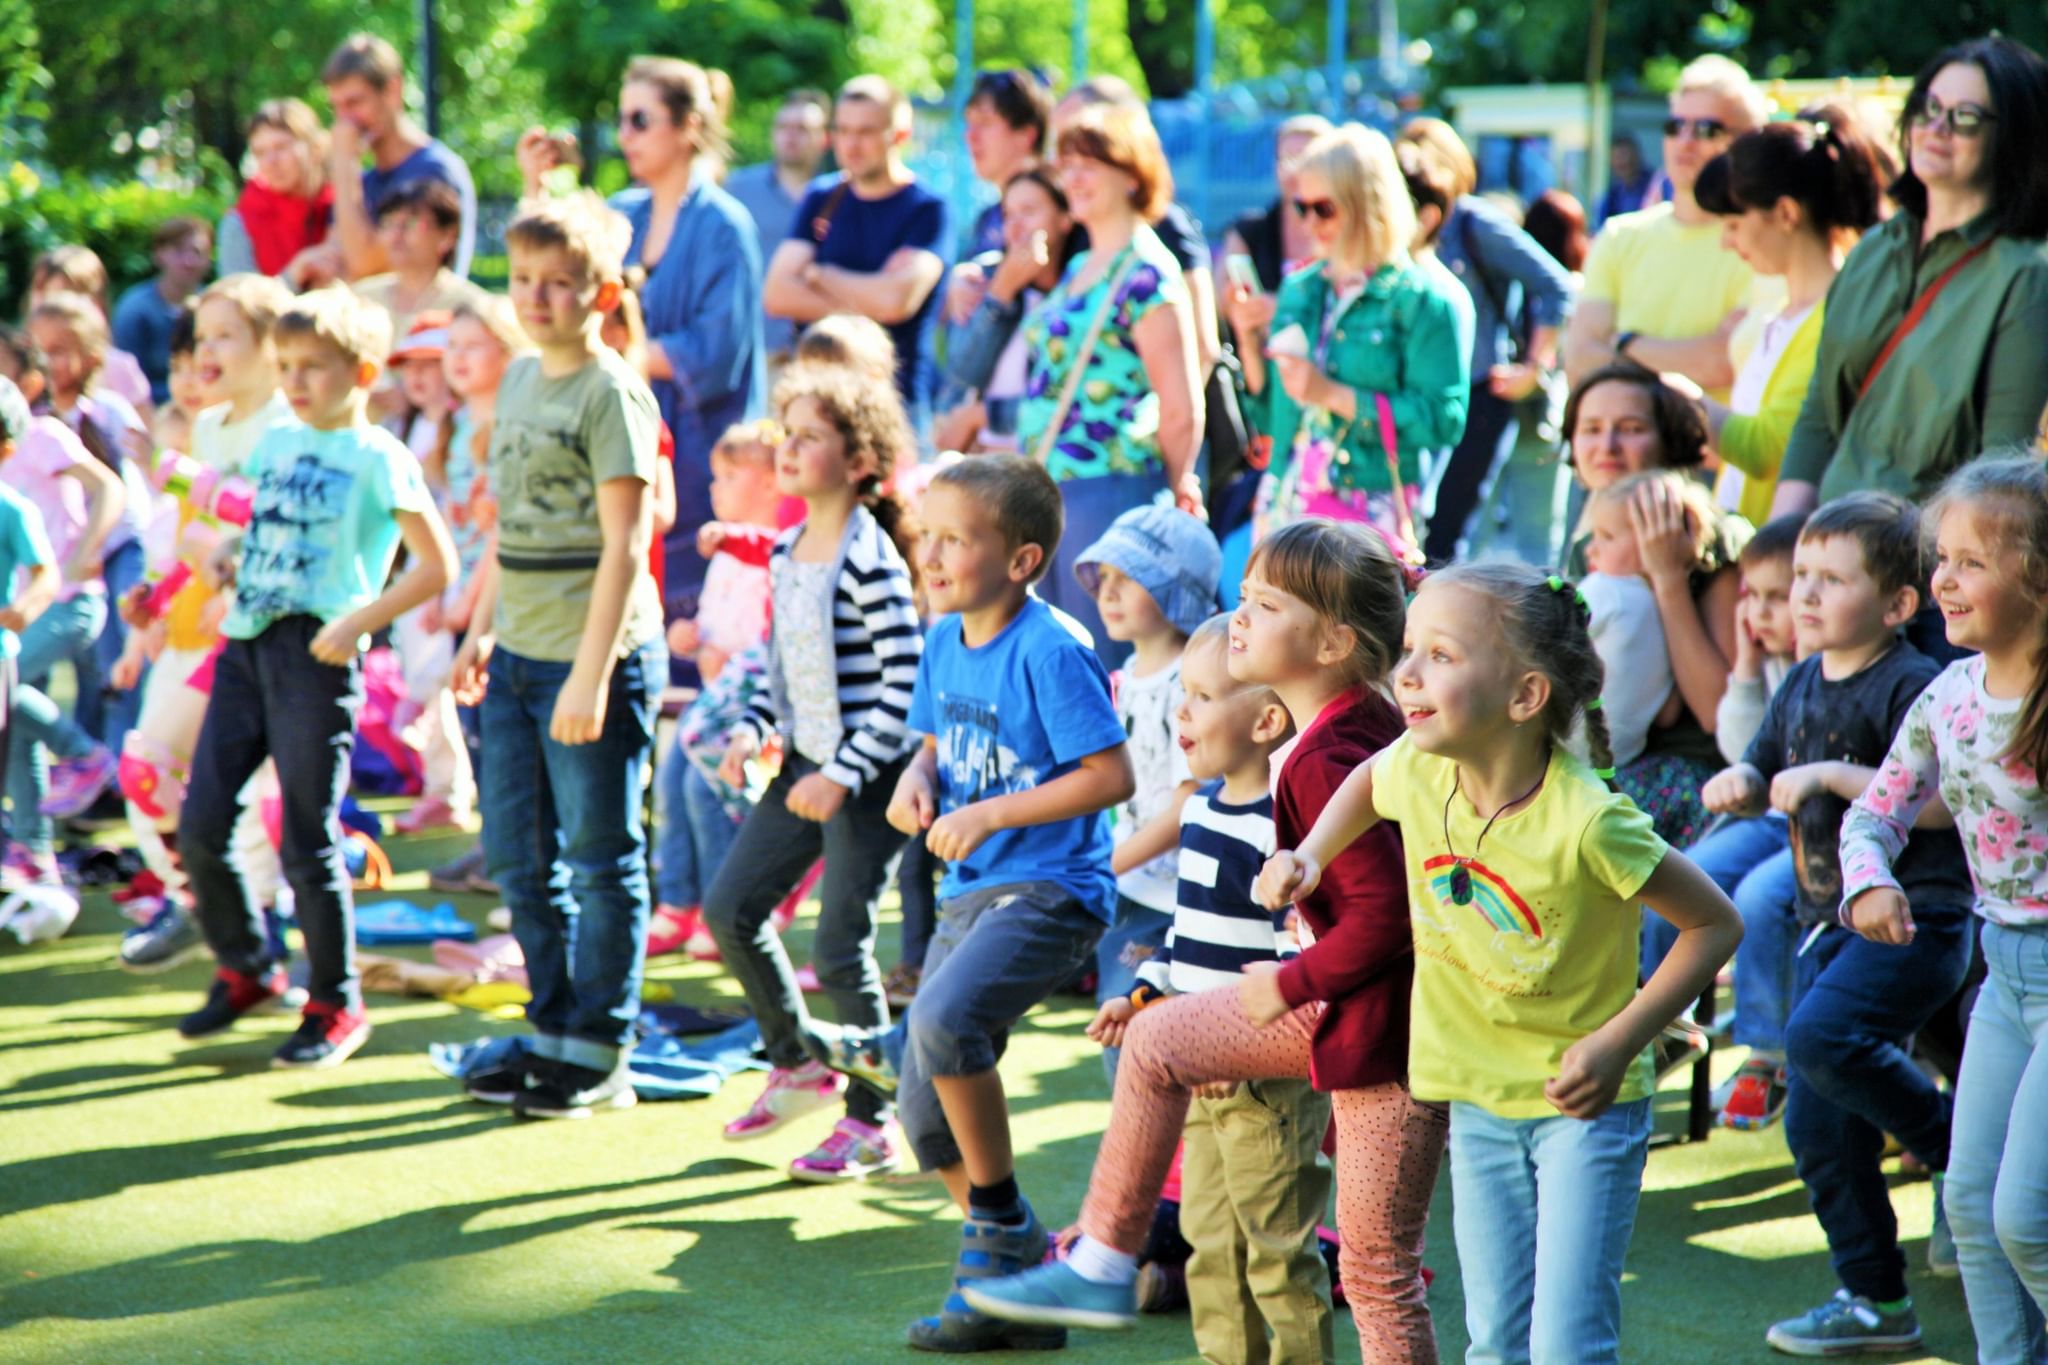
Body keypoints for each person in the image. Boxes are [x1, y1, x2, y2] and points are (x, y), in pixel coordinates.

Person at [964, 521, 1443, 1360]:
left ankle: (1103, 1258)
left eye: (1264, 603)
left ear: (1333, 640)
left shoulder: (1325, 753)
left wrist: (1289, 985)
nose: (1241, 616)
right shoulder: (1348, 728)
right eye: (1244, 595)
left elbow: (1387, 916)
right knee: (1375, 1269)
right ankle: (1105, 1257)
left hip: (1363, 1019)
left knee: (1157, 1053)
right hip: (1378, 1024)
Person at [1263, 560, 1744, 1365]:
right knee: (1495, 1343)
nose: (1405, 672)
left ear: (1525, 696)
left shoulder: (1592, 820)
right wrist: (1309, 856)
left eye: (1440, 655)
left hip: (1583, 1111)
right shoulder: (1418, 767)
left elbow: (1716, 925)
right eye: (1409, 647)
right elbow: (1365, 781)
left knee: (1567, 1348)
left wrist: (1621, 1039)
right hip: (1476, 1098)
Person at [799, 455, 1133, 1352]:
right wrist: (918, 778)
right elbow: (935, 743)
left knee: (943, 1025)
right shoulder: (943, 635)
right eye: (927, 536)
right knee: (918, 1107)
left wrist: (987, 812)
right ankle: (1014, 1272)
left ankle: (997, 1235)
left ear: (1021, 560)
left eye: (956, 539)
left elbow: (1111, 775)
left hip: (1054, 890)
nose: (932, 555)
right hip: (970, 893)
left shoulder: (1052, 644)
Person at [1697, 494, 1971, 1356]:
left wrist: (1833, 776)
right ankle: (1876, 1299)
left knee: (1819, 1035)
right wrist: (1743, 778)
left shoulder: (1913, 685)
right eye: (1801, 577)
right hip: (1831, 924)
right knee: (1817, 1124)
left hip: (1918, 918)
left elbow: (1936, 807)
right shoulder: (1805, 678)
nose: (1805, 595)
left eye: (1830, 580)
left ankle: (1960, 1153)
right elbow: (1767, 758)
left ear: (1897, 605)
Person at [173, 286, 455, 1068]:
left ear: (362, 373)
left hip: (318, 659)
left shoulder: (380, 456)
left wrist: (358, 621)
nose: (295, 382)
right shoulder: (279, 442)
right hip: (245, 646)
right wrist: (233, 556)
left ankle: (336, 1003)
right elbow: (271, 524)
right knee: (199, 824)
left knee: (307, 842)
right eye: (287, 366)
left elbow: (438, 567)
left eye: (314, 369)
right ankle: (247, 966)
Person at [449, 194, 665, 1117]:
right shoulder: (523, 379)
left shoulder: (609, 390)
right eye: (521, 280)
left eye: (558, 283)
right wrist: (478, 628)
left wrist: (591, 667)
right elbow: (511, 524)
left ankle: (601, 1045)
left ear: (602, 292)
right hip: (519, 655)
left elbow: (624, 544)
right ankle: (550, 1027)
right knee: (517, 854)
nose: (534, 299)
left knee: (599, 854)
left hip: (594, 657)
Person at [1839, 458, 2048, 1365]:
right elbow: (1872, 812)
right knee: (1967, 1201)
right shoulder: (1947, 697)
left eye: (1970, 562)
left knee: (2025, 1216)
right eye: (1941, 559)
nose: (1942, 581)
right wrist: (1867, 878)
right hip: (2002, 974)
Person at [701, 363, 923, 1183]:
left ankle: (873, 1124)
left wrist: (844, 772)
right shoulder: (791, 547)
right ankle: (798, 1063)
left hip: (864, 778)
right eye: (784, 434)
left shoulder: (870, 557)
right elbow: (773, 664)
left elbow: (906, 687)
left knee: (839, 947)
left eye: (808, 438)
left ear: (860, 461)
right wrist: (755, 728)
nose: (787, 450)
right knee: (731, 908)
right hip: (804, 764)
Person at [1128, 614, 1330, 1364]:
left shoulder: (1280, 827)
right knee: (1208, 1243)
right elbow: (1187, 935)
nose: (1183, 712)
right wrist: (1147, 991)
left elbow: (1295, 960)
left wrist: (1244, 1046)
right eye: (1183, 694)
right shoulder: (1201, 810)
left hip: (1263, 1082)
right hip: (1200, 1074)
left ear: (1267, 719)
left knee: (1276, 1253)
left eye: (1204, 695)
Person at [108, 273, 299, 972]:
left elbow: (277, 521)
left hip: (278, 634)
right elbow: (199, 530)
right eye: (202, 336)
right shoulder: (210, 426)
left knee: (268, 802)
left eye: (226, 336)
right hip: (208, 633)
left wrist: (227, 546)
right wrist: (158, 594)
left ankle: (265, 926)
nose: (207, 350)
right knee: (144, 767)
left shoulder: (292, 421)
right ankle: (201, 904)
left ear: (269, 344)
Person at [1773, 35, 2048, 517]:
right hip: (1826, 547)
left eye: (1965, 117)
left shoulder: (2027, 276)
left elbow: (2001, 477)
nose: (1936, 127)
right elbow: (1820, 415)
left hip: (1924, 566)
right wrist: (1780, 542)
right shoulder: (1875, 249)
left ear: (2016, 136)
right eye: (1929, 107)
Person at [1016, 100, 1203, 663]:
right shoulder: (1079, 268)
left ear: (1132, 173)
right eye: (1066, 164)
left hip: (1110, 489)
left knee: (1102, 661)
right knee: (1059, 659)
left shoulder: (1147, 271)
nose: (1072, 178)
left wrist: (1177, 485)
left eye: (1089, 164)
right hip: (1052, 485)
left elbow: (1181, 401)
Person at [1247, 124, 1472, 565]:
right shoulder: (1301, 287)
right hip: (1285, 496)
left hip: (1368, 504)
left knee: (1355, 633)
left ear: (1368, 204)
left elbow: (1444, 420)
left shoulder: (1425, 299)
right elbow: (1269, 411)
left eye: (1324, 208)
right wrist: (1246, 335)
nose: (1308, 222)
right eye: (1301, 206)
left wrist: (1332, 395)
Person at [602, 58, 766, 623]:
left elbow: (717, 354)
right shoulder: (620, 215)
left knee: (694, 646)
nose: (625, 135)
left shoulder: (725, 225)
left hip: (702, 468)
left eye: (640, 120)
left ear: (689, 126)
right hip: (629, 452)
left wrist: (621, 355)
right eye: (621, 120)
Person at [1560, 363, 1749, 851]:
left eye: (1632, 429)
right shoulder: (1591, 545)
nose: (1607, 447)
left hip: (1692, 775)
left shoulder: (1716, 535)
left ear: (1667, 441)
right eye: (1591, 430)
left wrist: (1668, 577)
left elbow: (1715, 712)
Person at [1683, 107, 1888, 527]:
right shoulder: (1783, 314)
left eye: (1735, 223)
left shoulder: (1835, 319)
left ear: (1786, 214)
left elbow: (1771, 448)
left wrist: (1670, 397)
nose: (1726, 241)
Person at [1073, 505, 1216, 1083]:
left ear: (1173, 591)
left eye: (1127, 579)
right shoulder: (1128, 673)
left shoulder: (1192, 681)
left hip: (1170, 895)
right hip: (1130, 886)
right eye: (1103, 579)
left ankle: (1164, 1168)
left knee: (1138, 1041)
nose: (1108, 593)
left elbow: (1189, 800)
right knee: (1122, 1031)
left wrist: (1108, 864)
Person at [646, 418, 783, 960]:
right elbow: (711, 626)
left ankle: (725, 906)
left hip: (746, 711)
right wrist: (689, 637)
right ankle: (680, 901)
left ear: (772, 482)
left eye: (729, 476)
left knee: (710, 796)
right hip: (711, 701)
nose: (713, 488)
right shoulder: (725, 553)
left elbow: (768, 638)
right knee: (674, 787)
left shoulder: (778, 555)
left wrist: (721, 653)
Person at [1563, 55, 1772, 395]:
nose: (1685, 141)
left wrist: (1622, 343)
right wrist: (1677, 360)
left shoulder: (1764, 243)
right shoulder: (1619, 237)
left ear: (1745, 141)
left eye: (1706, 129)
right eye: (1675, 126)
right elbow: (1581, 360)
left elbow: (1724, 361)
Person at [1697, 513, 1805, 1131]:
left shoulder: (1825, 666)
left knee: (1762, 896)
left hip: (1821, 830)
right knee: (1687, 874)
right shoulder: (1766, 659)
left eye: (1777, 597)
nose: (1761, 613)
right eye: (1752, 597)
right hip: (1769, 815)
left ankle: (1767, 1052)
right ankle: (1669, 1021)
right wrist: (1743, 664)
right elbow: (1744, 750)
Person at [764, 75, 951, 429]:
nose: (852, 144)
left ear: (899, 135)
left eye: (866, 131)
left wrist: (820, 276)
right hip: (813, 405)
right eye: (844, 131)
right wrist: (871, 297)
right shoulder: (822, 199)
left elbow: (896, 302)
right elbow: (776, 294)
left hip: (895, 408)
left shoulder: (927, 209)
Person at [421, 296, 526, 899]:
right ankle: (497, 842)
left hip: (497, 603)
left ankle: (511, 850)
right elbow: (452, 520)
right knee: (472, 724)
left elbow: (502, 528)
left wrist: (469, 600)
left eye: (471, 346)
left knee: (495, 727)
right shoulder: (457, 425)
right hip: (462, 595)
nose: (455, 359)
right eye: (451, 347)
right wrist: (443, 588)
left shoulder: (509, 424)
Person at [0, 380, 123, 885]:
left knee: (9, 692)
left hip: (69, 603)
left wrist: (76, 560)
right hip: (33, 615)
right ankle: (36, 854)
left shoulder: (42, 439)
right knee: (18, 721)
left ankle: (85, 754)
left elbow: (109, 487)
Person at [933, 165, 1078, 454]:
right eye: (1008, 214)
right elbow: (963, 372)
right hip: (982, 460)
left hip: (1046, 461)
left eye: (1029, 211)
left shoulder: (1080, 290)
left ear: (1065, 218)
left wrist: (983, 415)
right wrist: (1000, 293)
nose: (1015, 226)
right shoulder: (984, 275)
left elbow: (1066, 400)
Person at [321, 32, 478, 280]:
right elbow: (334, 269)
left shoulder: (433, 171)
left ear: (393, 89)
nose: (344, 121)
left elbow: (365, 266)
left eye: (354, 103)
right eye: (336, 107)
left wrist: (342, 161)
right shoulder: (361, 183)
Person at [722, 89, 831, 365]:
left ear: (825, 138)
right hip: (753, 354)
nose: (791, 136)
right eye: (783, 127)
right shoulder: (737, 189)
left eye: (803, 129)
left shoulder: (841, 195)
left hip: (819, 355)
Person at [217, 98, 336, 286]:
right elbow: (236, 307)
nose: (270, 161)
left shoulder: (345, 202)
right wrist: (294, 276)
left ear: (315, 148)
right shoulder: (239, 224)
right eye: (260, 153)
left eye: (281, 147)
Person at [350, 181, 484, 346]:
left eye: (411, 224)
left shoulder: (471, 305)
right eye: (389, 223)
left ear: (447, 236)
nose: (396, 235)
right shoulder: (360, 299)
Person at [26, 247, 154, 414]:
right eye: (43, 293)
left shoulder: (116, 368)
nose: (50, 307)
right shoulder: (17, 360)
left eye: (65, 296)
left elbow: (141, 433)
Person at [112, 218, 213, 405]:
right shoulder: (135, 310)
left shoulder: (216, 308)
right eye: (179, 251)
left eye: (197, 252)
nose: (188, 261)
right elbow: (124, 379)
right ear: (159, 254)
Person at [1595, 135, 1653, 227]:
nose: (1624, 161)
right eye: (1618, 157)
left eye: (1627, 155)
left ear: (1638, 156)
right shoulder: (1611, 196)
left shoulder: (1655, 186)